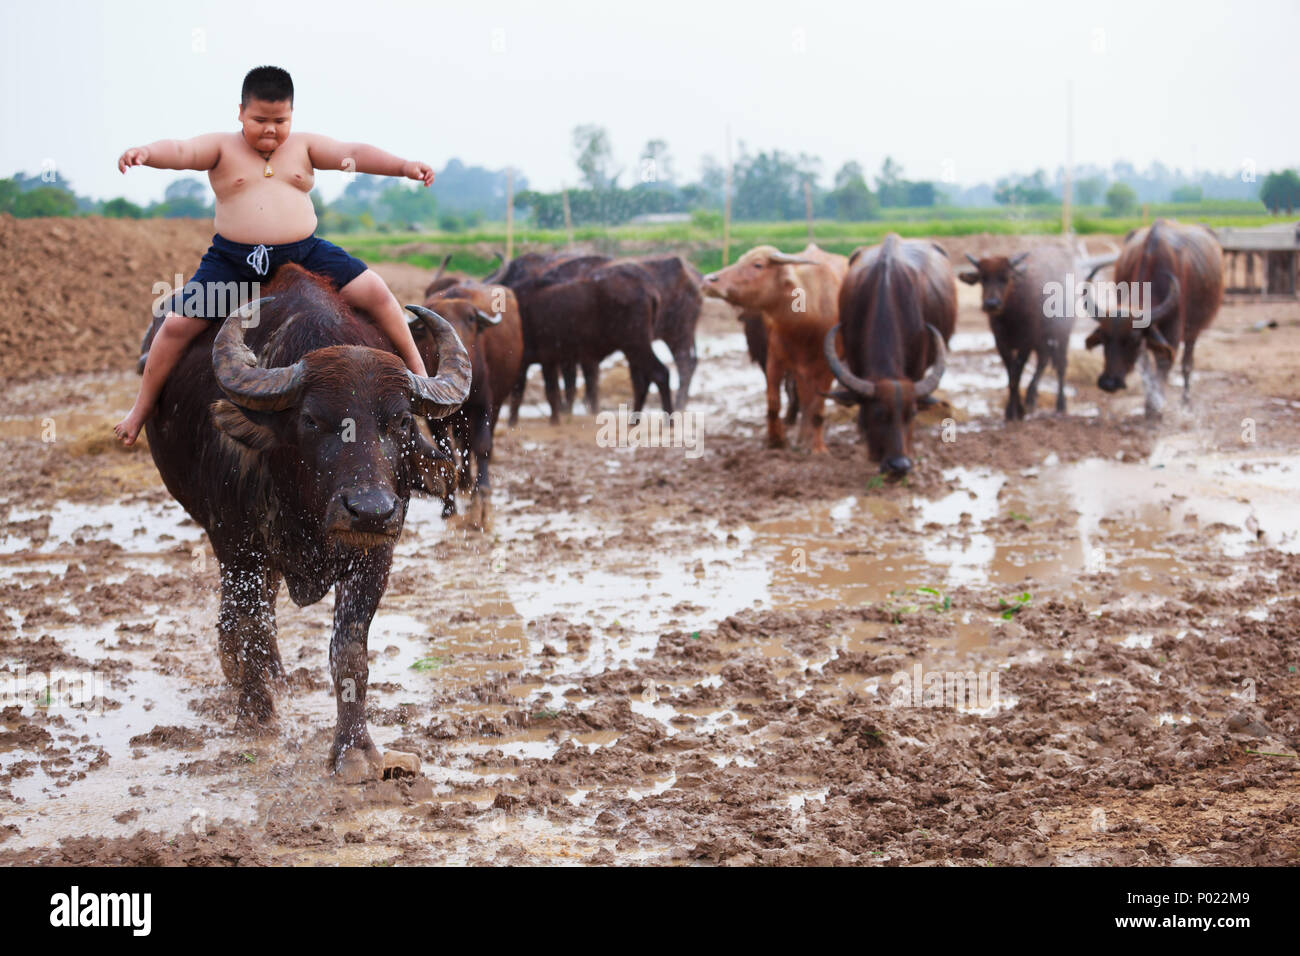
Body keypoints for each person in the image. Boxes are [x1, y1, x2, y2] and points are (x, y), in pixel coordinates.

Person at [114, 65, 432, 445]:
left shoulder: (304, 146)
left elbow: (352, 153)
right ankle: (140, 410)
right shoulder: (221, 147)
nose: (270, 129)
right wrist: (146, 153)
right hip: (233, 263)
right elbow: (181, 151)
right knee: (177, 325)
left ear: (291, 115)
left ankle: (421, 378)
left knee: (377, 292)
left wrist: (403, 167)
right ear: (241, 113)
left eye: (279, 120)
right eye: (259, 119)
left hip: (306, 253)